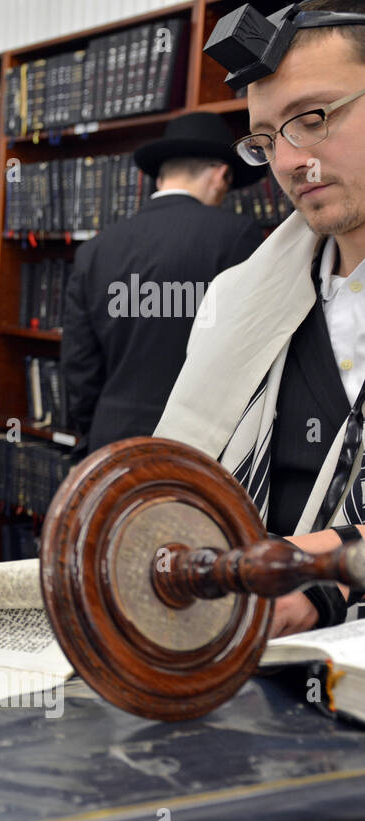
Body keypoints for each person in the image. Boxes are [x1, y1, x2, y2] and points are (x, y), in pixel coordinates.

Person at [157, 0, 365, 637]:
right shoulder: (238, 298)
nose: (288, 162)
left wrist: (318, 582)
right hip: (239, 660)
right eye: (266, 139)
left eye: (311, 118)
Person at [62, 111, 265, 455]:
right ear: (221, 175)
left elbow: (79, 367)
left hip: (111, 442)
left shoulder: (95, 249)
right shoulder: (236, 236)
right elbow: (247, 348)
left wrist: (92, 425)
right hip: (197, 446)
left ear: (160, 180)